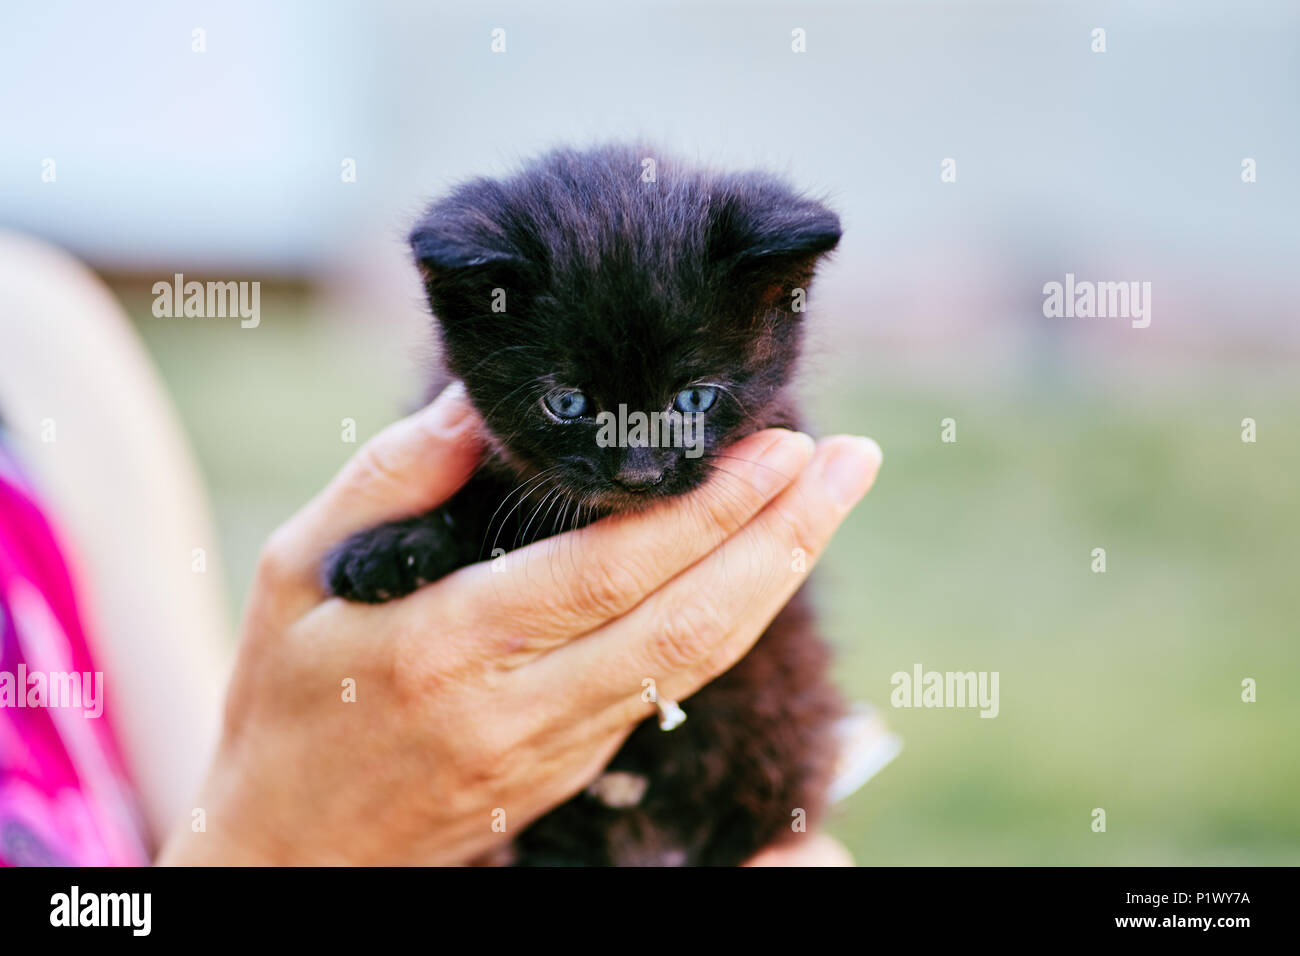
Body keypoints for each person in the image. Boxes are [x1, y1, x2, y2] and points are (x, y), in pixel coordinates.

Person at [0, 231, 881, 866]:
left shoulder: (38, 343)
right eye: (571, 407)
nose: (641, 463)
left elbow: (191, 792)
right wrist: (282, 844)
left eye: (687, 405)